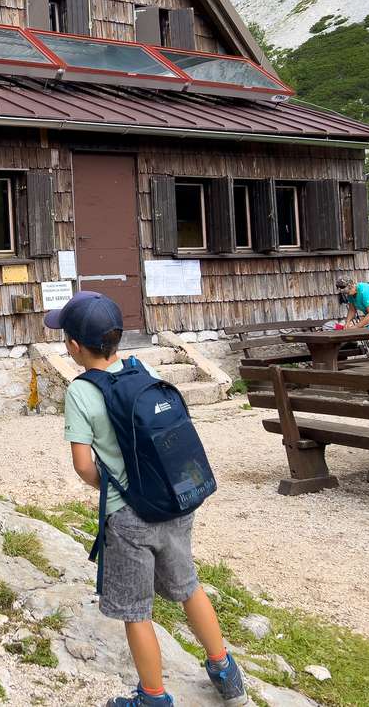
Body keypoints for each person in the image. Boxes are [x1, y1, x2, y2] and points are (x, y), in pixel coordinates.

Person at [51, 291, 245, 707]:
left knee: (137, 612)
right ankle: (226, 674)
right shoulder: (142, 370)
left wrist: (111, 488)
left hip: (128, 517)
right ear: (117, 338)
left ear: (73, 346)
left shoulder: (82, 392)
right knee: (189, 587)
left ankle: (153, 697)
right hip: (174, 502)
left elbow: (84, 466)